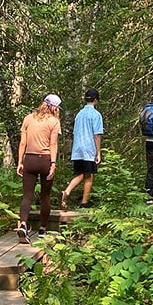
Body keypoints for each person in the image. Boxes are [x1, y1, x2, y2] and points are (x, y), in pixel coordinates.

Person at [16, 93, 62, 242]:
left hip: (29, 159)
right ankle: (42, 229)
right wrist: (53, 164)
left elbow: (22, 143)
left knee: (27, 196)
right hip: (45, 161)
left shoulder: (28, 118)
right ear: (55, 108)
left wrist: (20, 162)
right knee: (45, 196)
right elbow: (53, 144)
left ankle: (23, 223)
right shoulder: (54, 122)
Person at [61, 88, 103, 210]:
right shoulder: (95, 115)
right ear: (95, 100)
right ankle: (82, 201)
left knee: (82, 174)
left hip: (78, 148)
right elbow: (96, 135)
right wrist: (98, 152)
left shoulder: (79, 114)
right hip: (88, 148)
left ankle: (67, 193)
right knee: (88, 176)